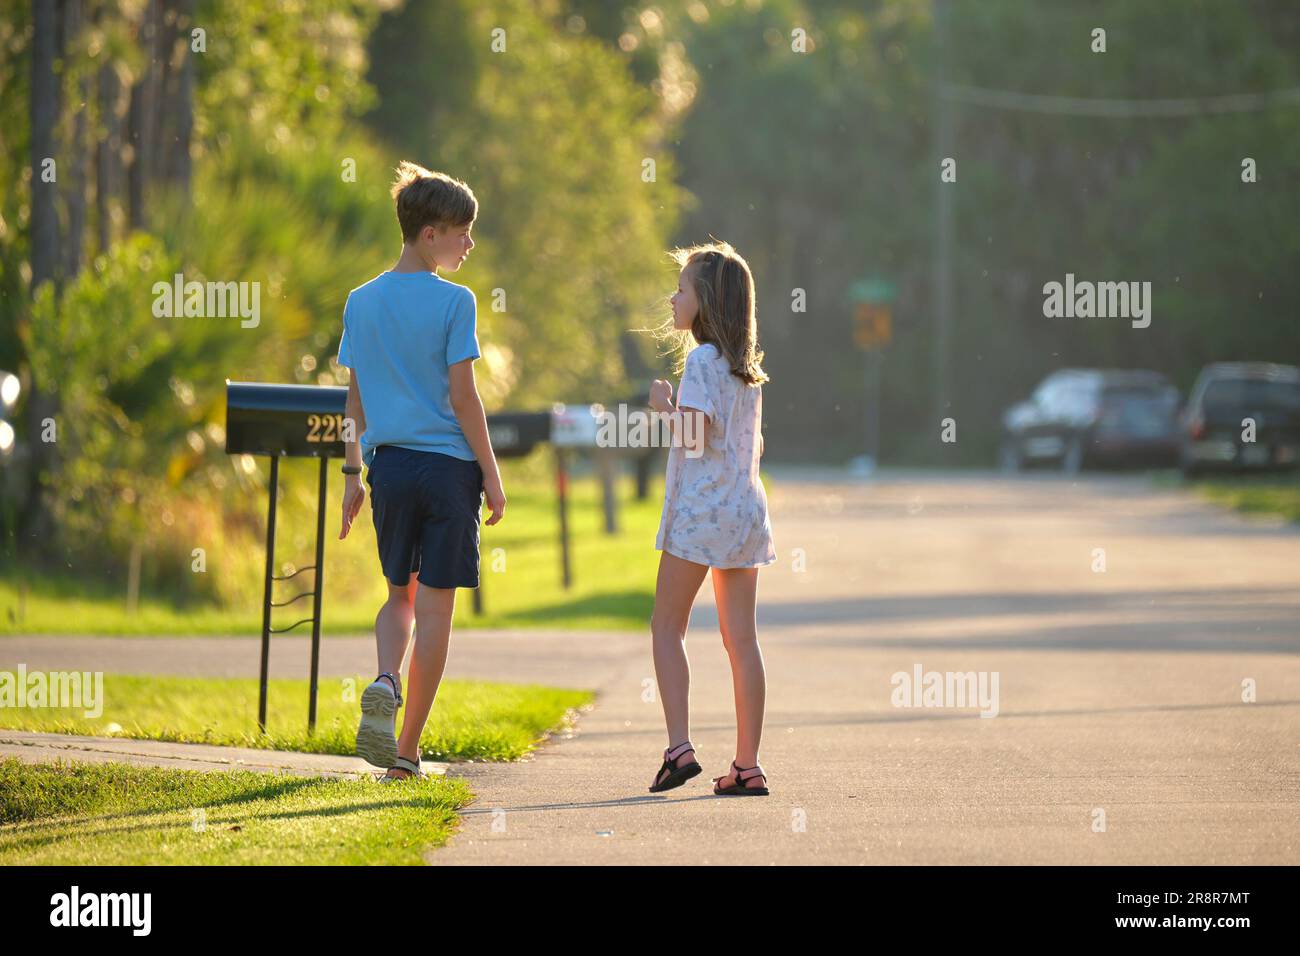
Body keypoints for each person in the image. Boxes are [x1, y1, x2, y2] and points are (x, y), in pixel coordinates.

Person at [336, 161, 506, 782]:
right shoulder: (455, 301)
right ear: (429, 232)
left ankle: (385, 677)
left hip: (391, 470)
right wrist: (491, 473)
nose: (469, 244)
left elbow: (354, 400)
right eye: (462, 232)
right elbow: (464, 398)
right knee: (436, 611)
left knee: (397, 598)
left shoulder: (361, 301)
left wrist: (353, 477)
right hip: (449, 469)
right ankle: (406, 753)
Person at [646, 241, 776, 797]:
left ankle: (679, 749)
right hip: (745, 512)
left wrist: (664, 409)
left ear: (707, 301)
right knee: (740, 640)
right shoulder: (747, 371)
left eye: (681, 289)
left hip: (701, 513)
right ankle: (747, 765)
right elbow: (753, 444)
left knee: (667, 626)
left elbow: (694, 438)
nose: (673, 298)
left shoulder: (700, 363)